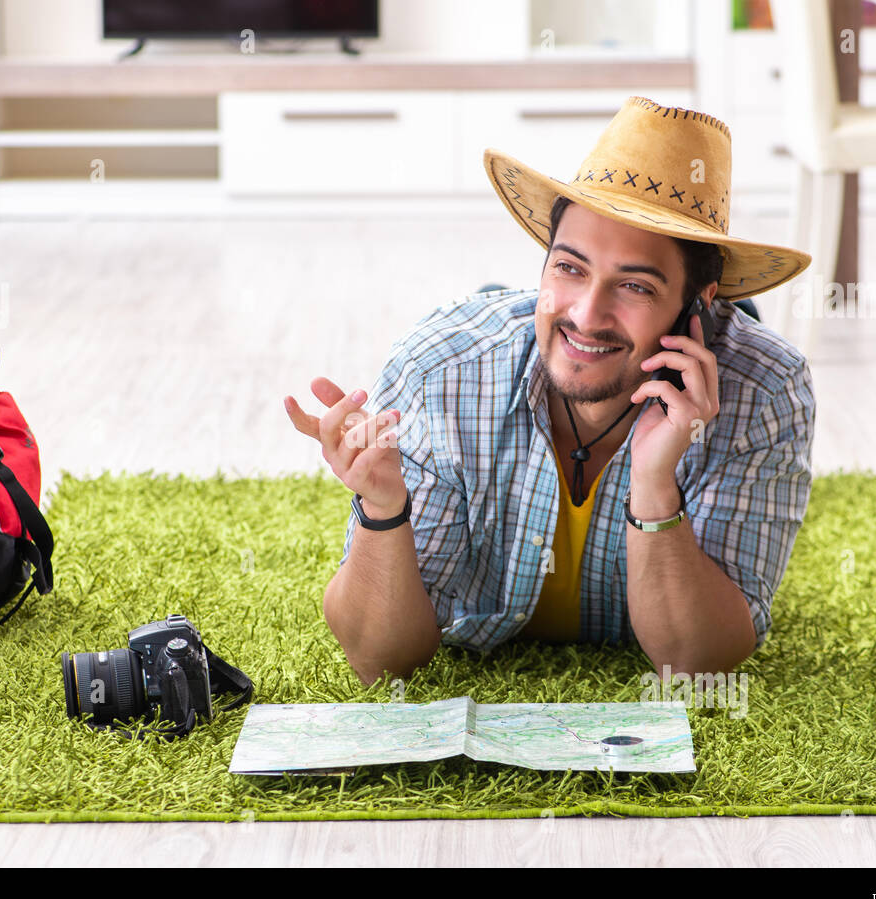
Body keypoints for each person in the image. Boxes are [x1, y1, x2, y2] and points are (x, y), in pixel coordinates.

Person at [286, 96, 816, 686]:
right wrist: (384, 509)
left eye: (635, 285)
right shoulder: (440, 371)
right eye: (568, 267)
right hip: (501, 349)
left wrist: (654, 480)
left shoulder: (766, 390)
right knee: (538, 340)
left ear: (699, 305)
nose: (587, 313)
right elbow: (379, 664)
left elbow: (694, 666)